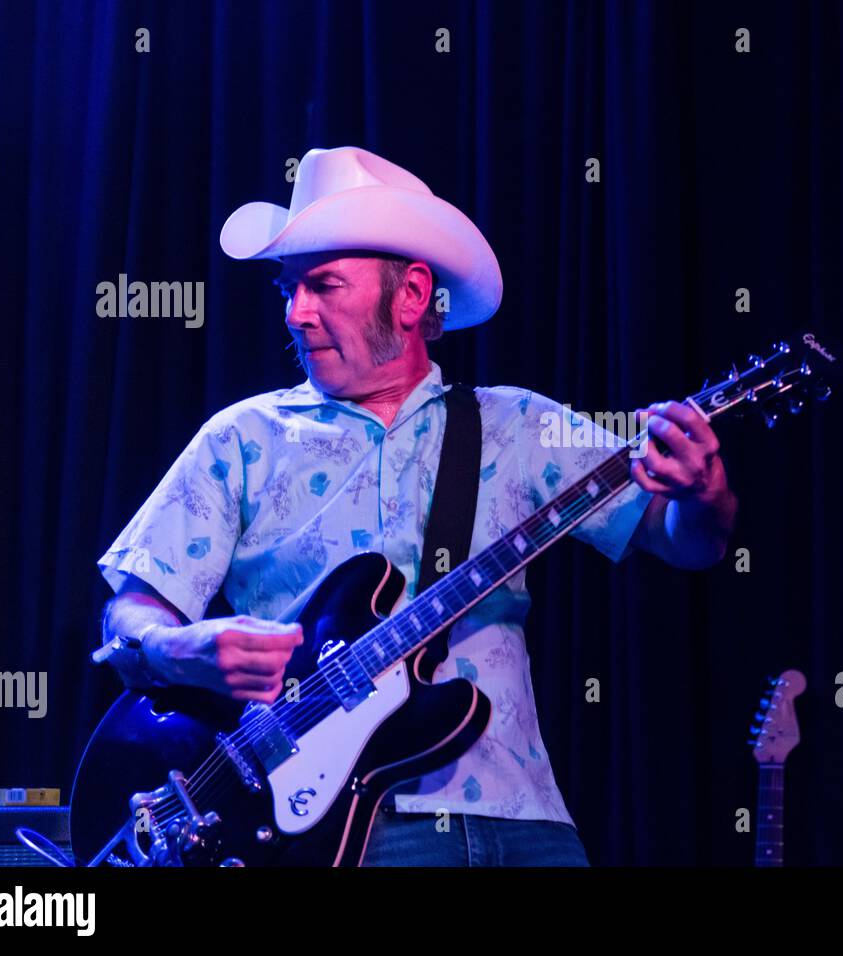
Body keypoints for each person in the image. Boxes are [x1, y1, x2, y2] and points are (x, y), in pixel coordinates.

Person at [96, 146, 737, 866]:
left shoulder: (518, 424)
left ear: (410, 297)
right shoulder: (243, 437)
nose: (297, 312)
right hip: (337, 830)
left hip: (522, 815)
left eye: (324, 285)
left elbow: (684, 542)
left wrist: (702, 493)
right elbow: (131, 610)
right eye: (288, 288)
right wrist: (178, 648)